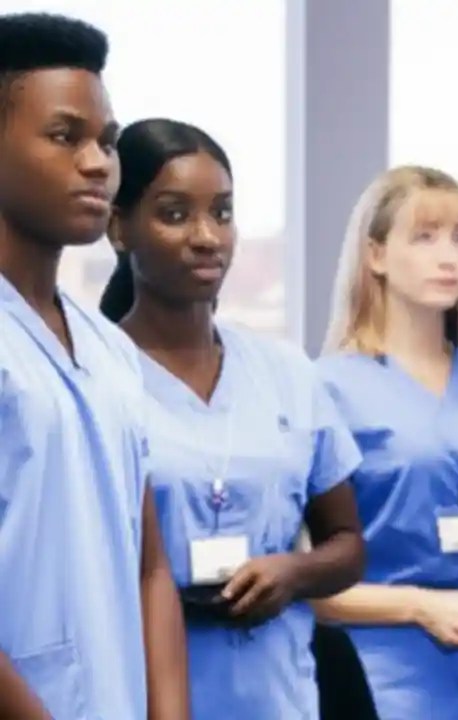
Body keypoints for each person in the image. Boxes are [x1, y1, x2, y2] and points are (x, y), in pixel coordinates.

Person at [97, 117, 367, 719]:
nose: (206, 236)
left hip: (279, 697)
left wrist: (293, 573)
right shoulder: (96, 378)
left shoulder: (286, 373)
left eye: (221, 213)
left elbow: (347, 546)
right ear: (119, 227)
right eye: (174, 214)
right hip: (143, 697)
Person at [0, 13, 189, 719]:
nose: (97, 163)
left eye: (106, 141)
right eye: (64, 136)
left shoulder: (109, 348)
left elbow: (149, 565)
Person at [313, 166, 458, 720]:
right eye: (425, 236)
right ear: (376, 254)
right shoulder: (326, 389)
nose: (450, 256)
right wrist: (418, 606)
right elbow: (304, 580)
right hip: (378, 674)